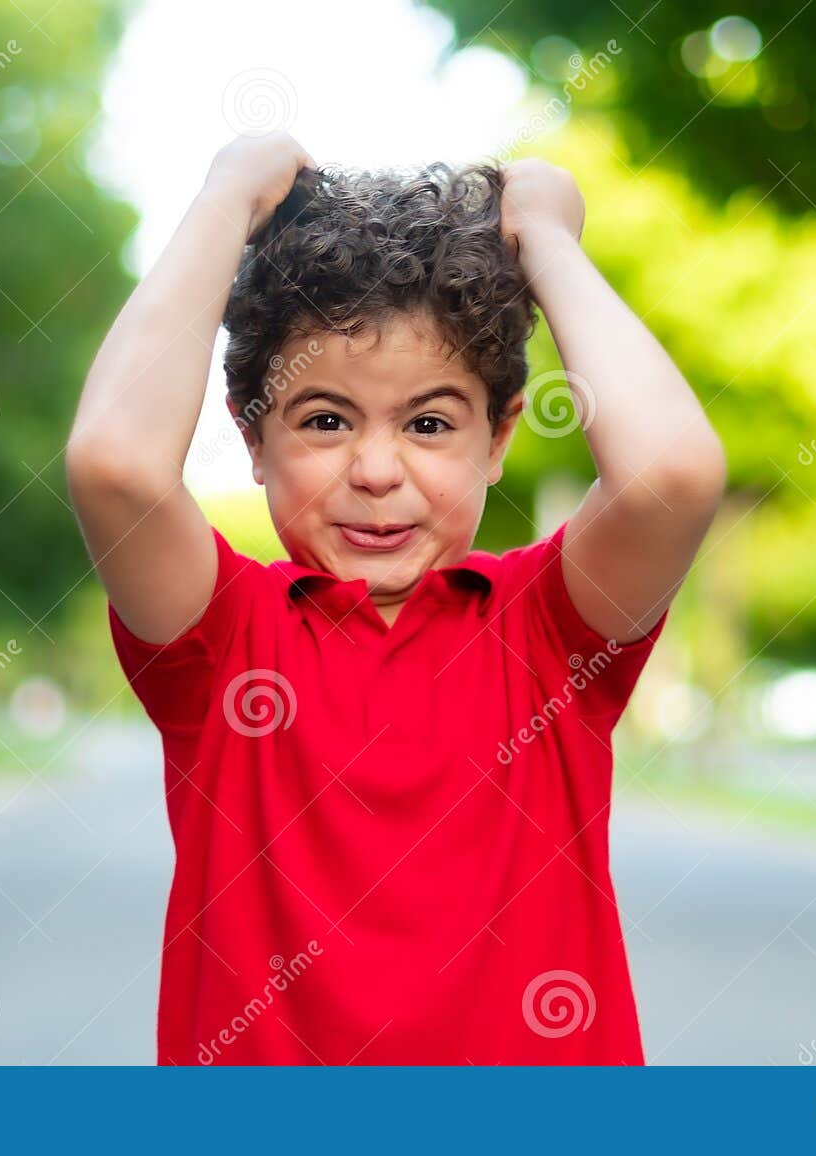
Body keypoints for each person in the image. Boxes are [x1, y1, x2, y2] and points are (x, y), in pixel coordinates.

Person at [65, 131, 726, 1064]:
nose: (377, 471)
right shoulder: (220, 637)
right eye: (325, 420)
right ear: (253, 441)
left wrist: (548, 243)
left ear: (498, 440)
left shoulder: (549, 628)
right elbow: (116, 465)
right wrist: (229, 195)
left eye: (428, 422)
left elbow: (675, 473)